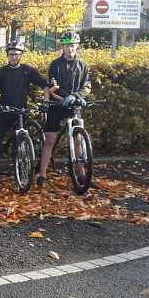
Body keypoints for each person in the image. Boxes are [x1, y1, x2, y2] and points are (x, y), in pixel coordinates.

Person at [0, 40, 48, 188]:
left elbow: (45, 85)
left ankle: (20, 173)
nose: (14, 57)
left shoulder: (27, 70)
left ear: (21, 55)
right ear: (7, 55)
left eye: (17, 54)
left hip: (21, 112)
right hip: (4, 112)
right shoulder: (2, 71)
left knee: (20, 143)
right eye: (11, 54)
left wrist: (45, 102)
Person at [37, 31, 92, 186]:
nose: (70, 49)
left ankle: (81, 175)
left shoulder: (82, 65)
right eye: (67, 46)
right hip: (57, 105)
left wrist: (77, 97)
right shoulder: (55, 64)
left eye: (72, 46)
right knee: (50, 140)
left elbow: (87, 86)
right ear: (63, 47)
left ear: (77, 47)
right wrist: (64, 98)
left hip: (73, 103)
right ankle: (42, 175)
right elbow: (53, 86)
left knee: (78, 139)